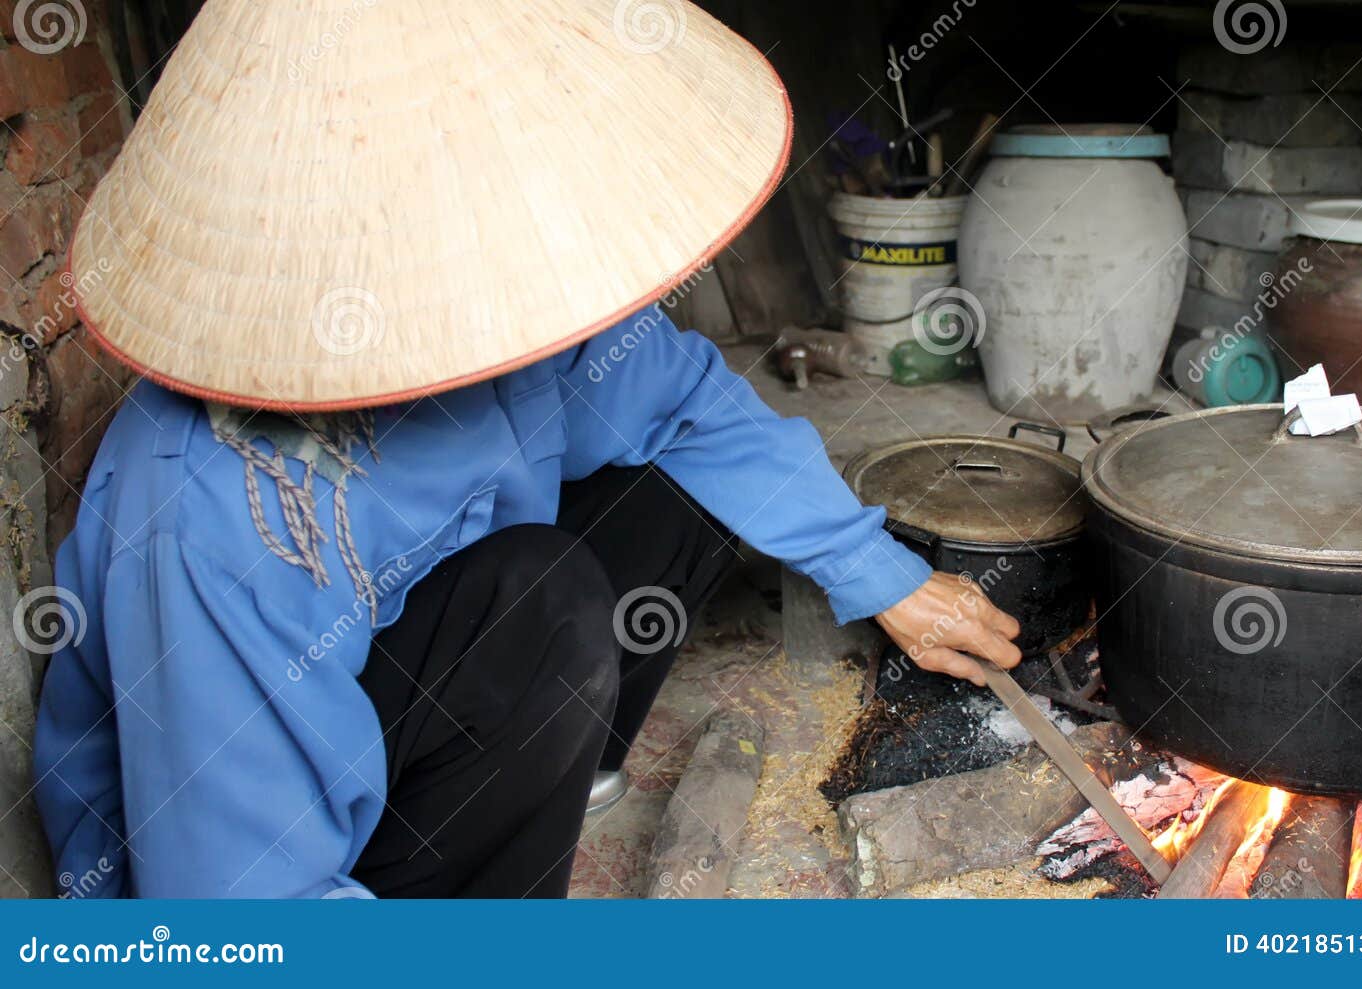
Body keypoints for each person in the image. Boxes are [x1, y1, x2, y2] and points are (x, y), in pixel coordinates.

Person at [30, 0, 1021, 898]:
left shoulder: (500, 296)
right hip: (257, 855)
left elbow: (687, 402)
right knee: (542, 603)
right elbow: (228, 900)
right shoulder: (220, 504)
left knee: (677, 486)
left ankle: (555, 773)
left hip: (404, 654)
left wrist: (882, 576)